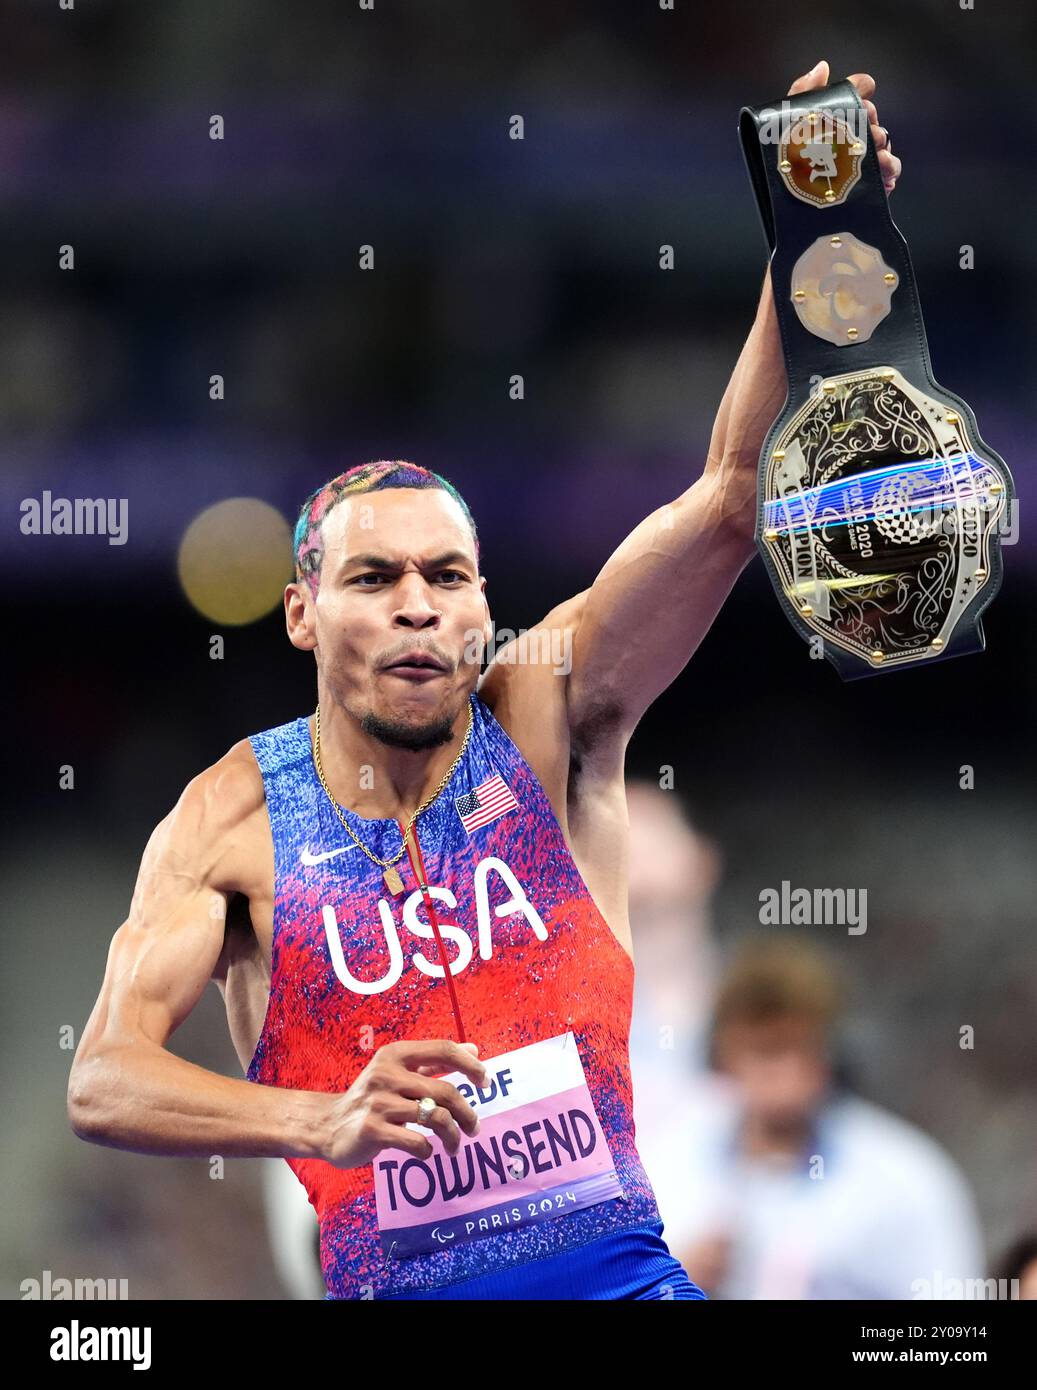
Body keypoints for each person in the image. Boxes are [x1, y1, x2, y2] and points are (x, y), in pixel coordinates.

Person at [65, 62, 903, 1302]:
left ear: (481, 603)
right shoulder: (229, 818)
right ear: (301, 612)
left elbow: (731, 495)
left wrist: (815, 241)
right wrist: (316, 1119)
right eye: (374, 578)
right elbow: (100, 1079)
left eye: (448, 575)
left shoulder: (547, 710)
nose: (417, 602)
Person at [641, 936, 986, 1299]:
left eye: (792, 1047)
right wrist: (671, 1282)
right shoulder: (665, 1164)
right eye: (758, 1049)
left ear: (832, 1054)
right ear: (721, 1053)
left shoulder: (906, 1179)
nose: (776, 1072)